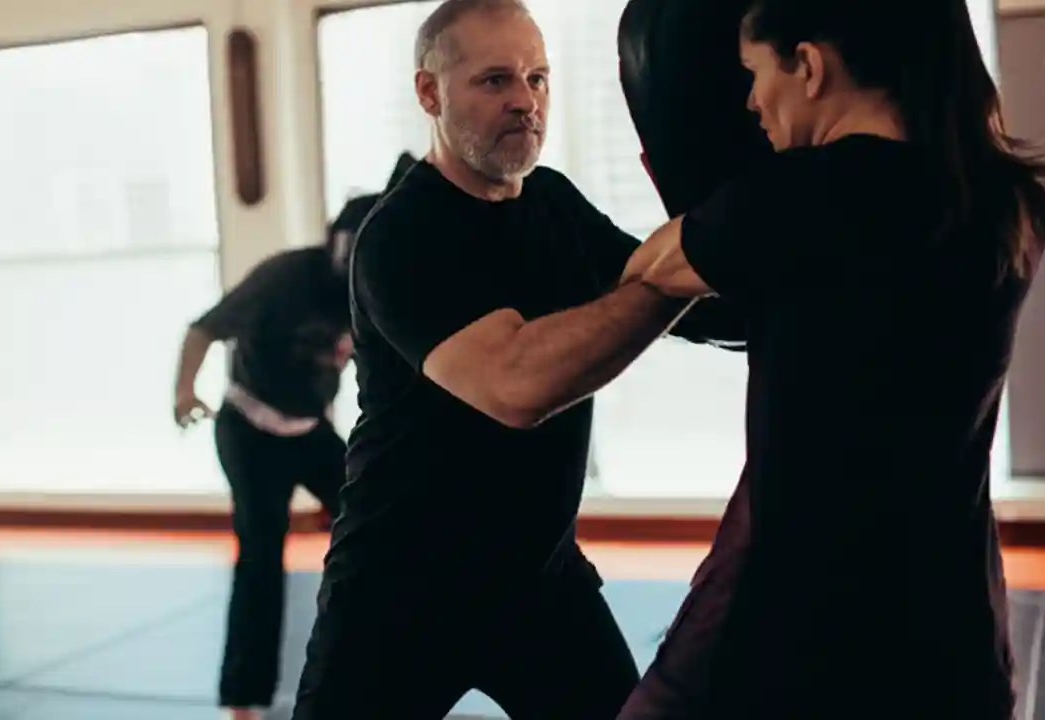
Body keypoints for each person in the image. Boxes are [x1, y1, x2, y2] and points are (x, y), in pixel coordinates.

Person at [611, 0, 1045, 717]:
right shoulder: (1011, 201)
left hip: (821, 641)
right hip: (958, 622)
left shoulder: (794, 197)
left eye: (756, 73)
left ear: (811, 67)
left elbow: (653, 266)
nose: (754, 102)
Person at [290, 2, 739, 718]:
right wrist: (693, 262)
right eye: (495, 80)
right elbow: (517, 384)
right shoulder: (400, 236)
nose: (526, 102)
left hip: (539, 583)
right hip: (399, 592)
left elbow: (691, 296)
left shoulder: (554, 203)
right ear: (430, 94)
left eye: (538, 78)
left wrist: (779, 254)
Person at [172, 161, 404, 720]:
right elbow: (203, 328)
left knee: (383, 529)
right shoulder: (285, 278)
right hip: (249, 431)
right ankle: (243, 698)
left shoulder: (378, 289)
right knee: (259, 554)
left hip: (310, 430)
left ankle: (388, 668)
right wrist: (184, 393)